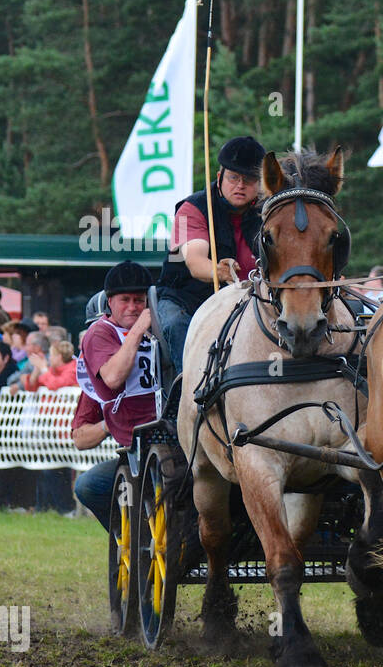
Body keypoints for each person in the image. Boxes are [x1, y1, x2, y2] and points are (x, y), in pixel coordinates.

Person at [155, 135, 266, 377]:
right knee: (175, 325)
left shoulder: (268, 213)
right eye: (234, 178)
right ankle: (186, 394)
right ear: (219, 177)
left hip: (246, 303)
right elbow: (196, 264)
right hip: (187, 301)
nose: (240, 185)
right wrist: (221, 271)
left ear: (260, 183)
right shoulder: (192, 208)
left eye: (249, 179)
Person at [71, 261, 162, 530]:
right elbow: (80, 437)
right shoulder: (99, 340)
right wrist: (109, 423)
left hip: (169, 433)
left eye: (139, 300)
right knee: (88, 485)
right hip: (135, 448)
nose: (133, 307)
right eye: (125, 300)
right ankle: (132, 535)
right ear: (110, 302)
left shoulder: (162, 329)